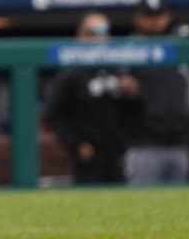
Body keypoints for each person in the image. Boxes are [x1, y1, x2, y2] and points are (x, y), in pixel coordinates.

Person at [121, 0, 189, 185]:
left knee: (177, 208)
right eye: (148, 16)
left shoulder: (178, 48)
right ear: (138, 18)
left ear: (166, 17)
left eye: (158, 15)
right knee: (141, 205)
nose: (154, 22)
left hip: (179, 142)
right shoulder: (126, 49)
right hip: (143, 144)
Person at [43, 12, 132, 185]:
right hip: (89, 154)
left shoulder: (119, 69)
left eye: (104, 31)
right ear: (81, 36)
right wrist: (77, 143)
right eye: (93, 32)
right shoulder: (71, 74)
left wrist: (133, 94)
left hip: (118, 151)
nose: (100, 37)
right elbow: (52, 114)